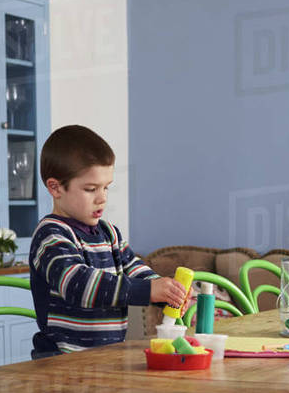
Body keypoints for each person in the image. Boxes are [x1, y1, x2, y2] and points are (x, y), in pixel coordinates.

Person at [29, 125, 189, 357]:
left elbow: (134, 269)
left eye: (106, 187)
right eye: (91, 189)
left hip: (105, 357)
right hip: (60, 361)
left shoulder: (109, 233)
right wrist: (149, 291)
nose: (102, 198)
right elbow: (78, 284)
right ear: (55, 188)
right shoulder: (51, 235)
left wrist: (165, 291)